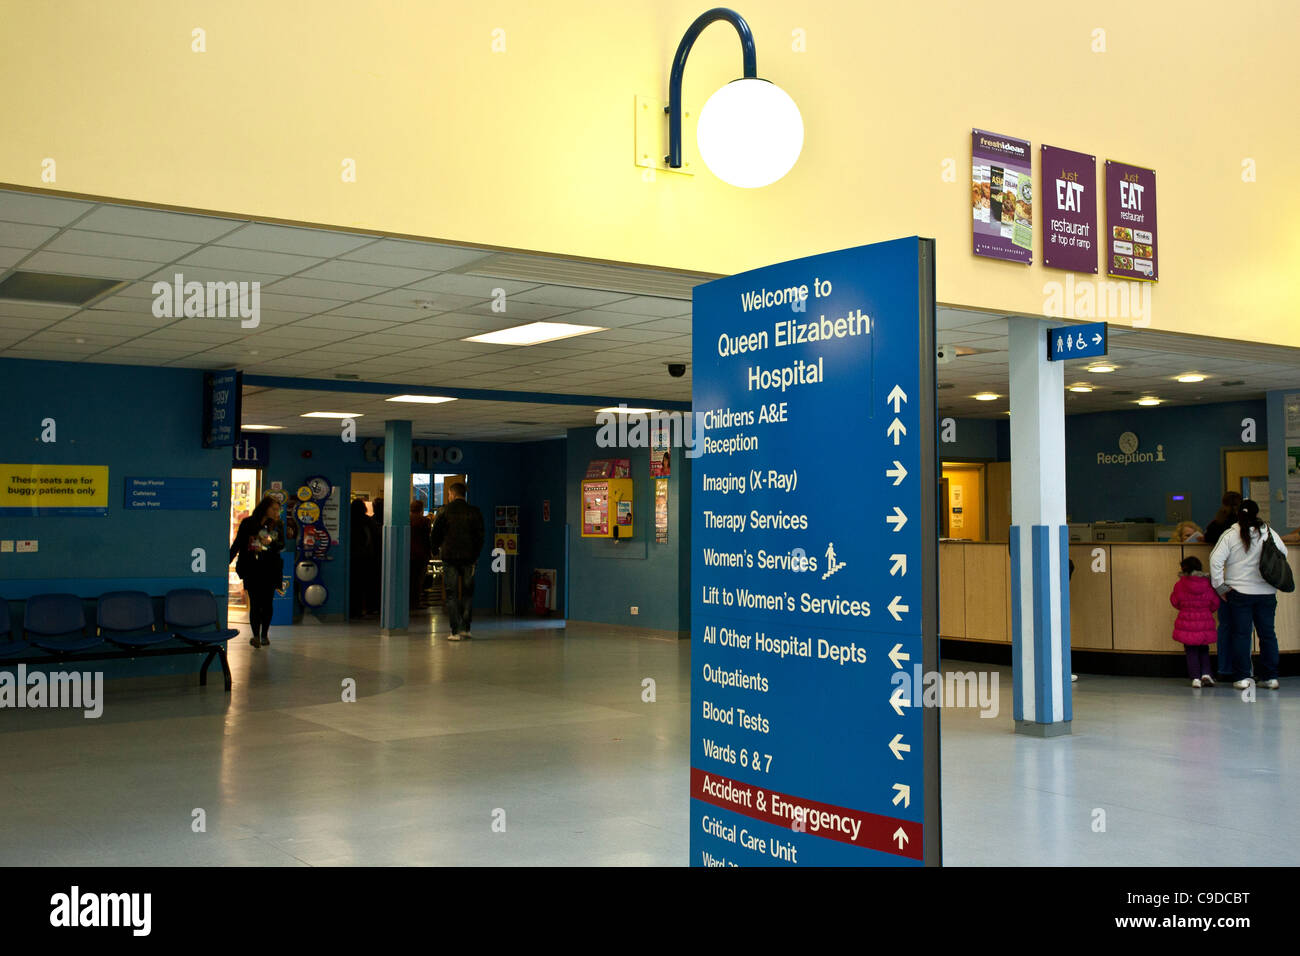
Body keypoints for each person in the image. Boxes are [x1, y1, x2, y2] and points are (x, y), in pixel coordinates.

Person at [1209, 499, 1286, 690]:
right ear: (1257, 513)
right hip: (1266, 592)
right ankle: (1270, 677)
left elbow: (1215, 560)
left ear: (1238, 514)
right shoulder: (1268, 532)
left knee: (1241, 635)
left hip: (1239, 593)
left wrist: (1220, 587)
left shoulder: (1230, 534)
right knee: (1267, 635)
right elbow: (1283, 553)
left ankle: (1242, 677)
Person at [429, 481, 484, 640]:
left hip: (449, 557)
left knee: (451, 594)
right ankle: (466, 628)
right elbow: (480, 536)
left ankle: (455, 631)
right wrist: (475, 555)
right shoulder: (475, 512)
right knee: (468, 593)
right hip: (469, 558)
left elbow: (435, 534)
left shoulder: (443, 511)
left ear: (452, 494)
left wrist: (434, 549)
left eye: (448, 494)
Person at [229, 495, 285, 648]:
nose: (276, 513)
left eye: (278, 510)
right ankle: (255, 636)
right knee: (254, 602)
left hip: (270, 569)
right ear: (265, 508)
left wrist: (271, 542)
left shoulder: (277, 525)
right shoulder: (248, 523)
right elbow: (238, 543)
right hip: (251, 568)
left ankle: (264, 634)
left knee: (267, 603)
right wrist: (227, 560)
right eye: (274, 509)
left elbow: (281, 545)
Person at [1203, 491, 1242, 679]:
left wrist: (1219, 587)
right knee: (1243, 627)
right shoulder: (1244, 525)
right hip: (1244, 582)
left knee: (1225, 625)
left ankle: (1224, 668)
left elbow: (1208, 540)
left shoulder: (1218, 525)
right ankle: (1242, 669)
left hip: (1224, 582)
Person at [1169, 555, 1219, 688]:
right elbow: (1215, 603)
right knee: (1204, 649)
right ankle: (1206, 673)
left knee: (1191, 651)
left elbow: (1175, 601)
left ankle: (1195, 678)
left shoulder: (1180, 584)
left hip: (1187, 623)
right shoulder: (1208, 584)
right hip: (1205, 622)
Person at [349, 498, 379, 618]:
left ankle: (353, 609)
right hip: (365, 557)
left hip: (352, 557)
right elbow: (372, 538)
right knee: (365, 585)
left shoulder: (348, 520)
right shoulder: (368, 521)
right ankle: (365, 608)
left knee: (353, 585)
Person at [409, 499, 433, 610]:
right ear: (421, 509)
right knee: (418, 580)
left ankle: (408, 601)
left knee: (409, 579)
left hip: (408, 553)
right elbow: (427, 539)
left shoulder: (406, 519)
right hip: (421, 554)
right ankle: (415, 602)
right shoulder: (425, 521)